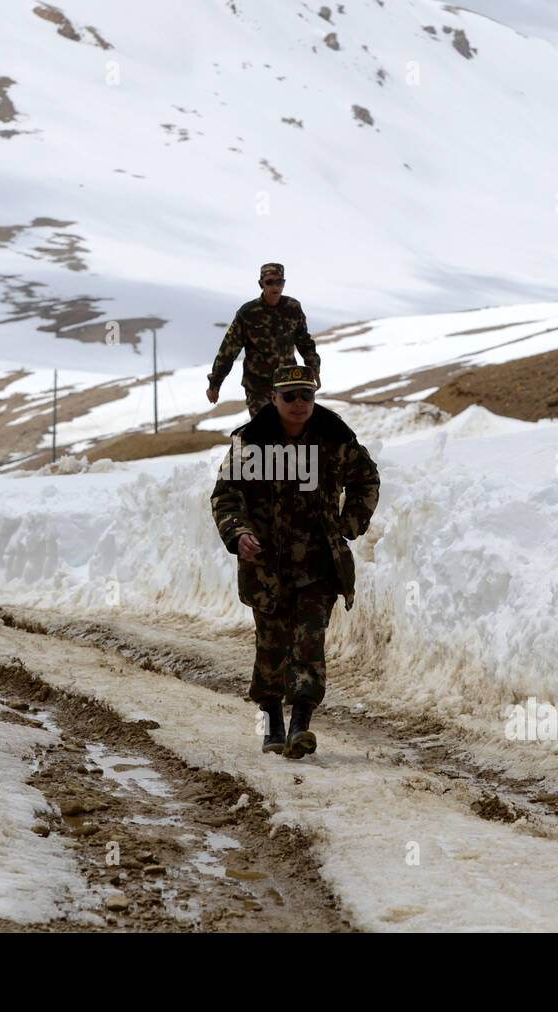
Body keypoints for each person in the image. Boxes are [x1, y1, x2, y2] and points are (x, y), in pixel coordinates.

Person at [209, 364, 379, 759]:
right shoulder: (251, 441)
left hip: (319, 564)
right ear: (274, 398)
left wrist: (350, 523)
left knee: (309, 642)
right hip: (267, 565)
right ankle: (272, 724)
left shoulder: (334, 436)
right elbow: (226, 494)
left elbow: (366, 478)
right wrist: (238, 532)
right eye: (290, 396)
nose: (299, 403)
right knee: (271, 645)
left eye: (306, 395)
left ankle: (300, 726)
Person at [206, 262, 322, 418]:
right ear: (261, 283)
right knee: (263, 434)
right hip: (258, 388)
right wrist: (215, 383)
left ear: (284, 284)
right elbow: (228, 350)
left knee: (288, 433)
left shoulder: (292, 308)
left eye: (279, 282)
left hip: (287, 385)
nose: (275, 286)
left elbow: (304, 342)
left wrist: (314, 368)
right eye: (270, 282)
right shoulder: (247, 313)